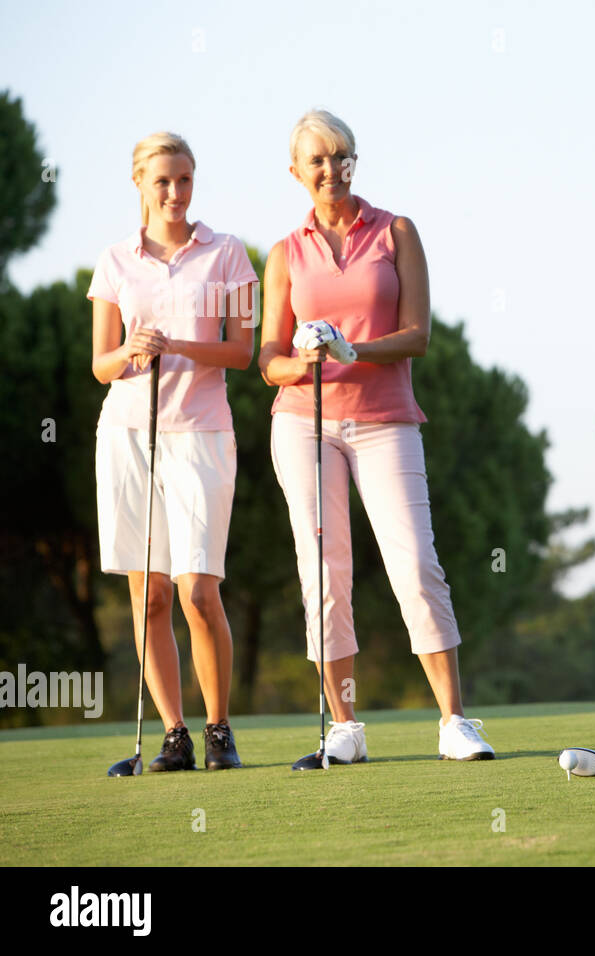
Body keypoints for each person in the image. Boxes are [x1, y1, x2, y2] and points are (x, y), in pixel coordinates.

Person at [258, 109, 493, 765]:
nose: (330, 171)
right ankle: (345, 727)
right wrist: (303, 357)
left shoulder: (395, 231)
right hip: (302, 423)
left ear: (354, 161)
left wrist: (350, 346)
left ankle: (454, 721)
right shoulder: (285, 253)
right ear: (296, 173)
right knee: (323, 573)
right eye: (317, 161)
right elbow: (267, 359)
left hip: (386, 419)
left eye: (341, 157)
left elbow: (418, 334)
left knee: (416, 564)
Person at [89, 132, 256, 771]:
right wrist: (132, 351)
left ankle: (219, 729)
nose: (175, 193)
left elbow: (241, 351)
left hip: (202, 433)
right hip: (129, 434)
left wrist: (181, 346)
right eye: (163, 181)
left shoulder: (229, 254)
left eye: (184, 179)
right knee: (150, 594)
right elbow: (100, 365)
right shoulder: (114, 260)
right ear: (139, 184)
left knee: (197, 590)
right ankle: (174, 735)